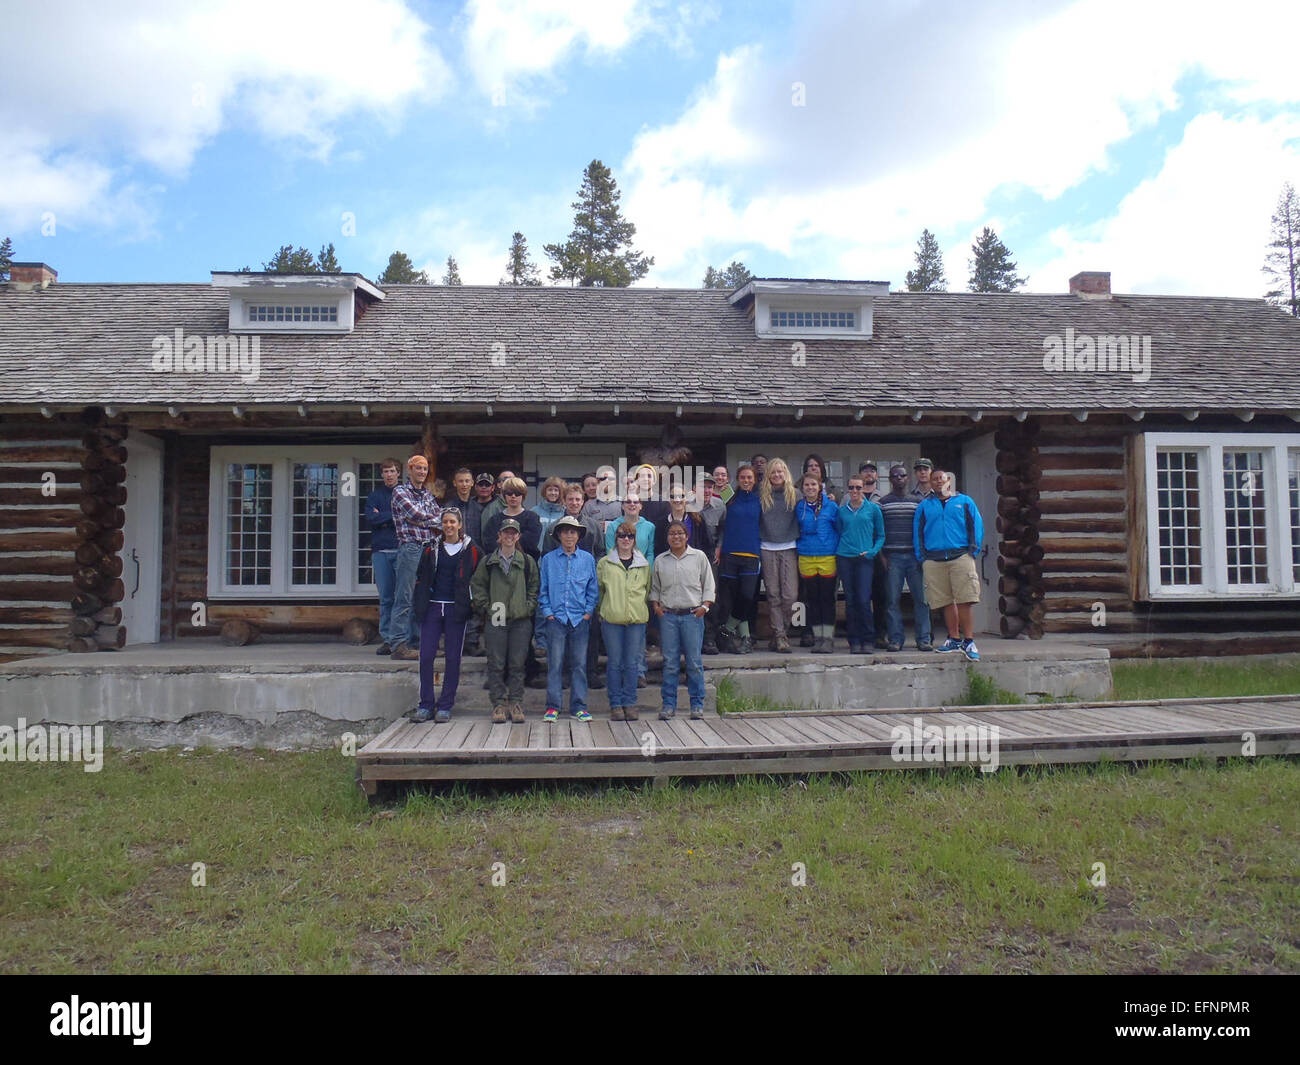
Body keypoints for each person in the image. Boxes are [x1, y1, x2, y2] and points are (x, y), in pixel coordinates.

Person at [409, 508, 483, 723]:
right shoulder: (431, 549)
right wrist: (420, 603)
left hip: (455, 609)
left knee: (453, 658)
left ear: (460, 524)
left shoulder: (472, 549)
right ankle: (425, 704)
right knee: (426, 656)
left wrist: (472, 603)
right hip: (432, 607)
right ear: (441, 525)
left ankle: (445, 705)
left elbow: (478, 579)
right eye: (445, 522)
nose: (449, 526)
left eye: (453, 522)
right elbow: (421, 577)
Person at [470, 518, 539, 723]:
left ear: (518, 536)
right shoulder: (488, 562)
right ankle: (498, 704)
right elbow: (477, 586)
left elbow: (534, 588)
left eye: (513, 533)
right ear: (499, 536)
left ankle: (516, 702)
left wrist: (527, 607)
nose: (509, 537)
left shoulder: (527, 562)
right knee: (496, 663)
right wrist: (486, 607)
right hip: (496, 619)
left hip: (520, 620)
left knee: (518, 664)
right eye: (505, 533)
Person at [914, 467, 983, 661]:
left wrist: (973, 551)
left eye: (941, 478)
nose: (937, 481)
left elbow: (976, 526)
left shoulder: (964, 501)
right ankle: (953, 638)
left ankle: (968, 640)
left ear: (949, 481)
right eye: (934, 479)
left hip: (960, 555)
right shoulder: (924, 506)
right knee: (944, 601)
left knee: (965, 599)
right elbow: (918, 531)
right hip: (934, 559)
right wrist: (922, 556)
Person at [651, 521, 716, 721]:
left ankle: (697, 704)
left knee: (694, 662)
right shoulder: (661, 560)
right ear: (667, 537)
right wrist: (656, 607)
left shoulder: (699, 557)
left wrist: (705, 606)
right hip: (669, 616)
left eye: (680, 533)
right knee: (670, 663)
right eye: (672, 533)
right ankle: (669, 705)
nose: (676, 537)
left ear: (687, 536)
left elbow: (708, 584)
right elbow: (655, 588)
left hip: (692, 616)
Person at [539, 515, 598, 723]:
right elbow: (543, 589)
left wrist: (588, 611)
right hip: (556, 619)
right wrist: (548, 612)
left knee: (579, 664)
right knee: (555, 664)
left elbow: (592, 589)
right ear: (559, 535)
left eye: (573, 531)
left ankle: (579, 706)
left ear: (578, 535)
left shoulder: (588, 559)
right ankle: (553, 706)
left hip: (579, 619)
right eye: (565, 531)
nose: (569, 535)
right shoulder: (548, 560)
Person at [597, 520, 651, 722]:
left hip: (636, 621)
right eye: (622, 536)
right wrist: (605, 610)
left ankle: (630, 702)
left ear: (635, 539)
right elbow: (600, 591)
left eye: (630, 536)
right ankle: (616, 704)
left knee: (632, 663)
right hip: (612, 619)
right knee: (615, 663)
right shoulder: (605, 563)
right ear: (615, 538)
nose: (626, 540)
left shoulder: (643, 564)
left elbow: (646, 590)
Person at [390, 453, 442, 661]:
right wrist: (430, 519)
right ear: (409, 470)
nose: (422, 472)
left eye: (424, 469)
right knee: (404, 596)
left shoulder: (428, 495)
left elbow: (441, 519)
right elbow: (415, 515)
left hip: (429, 549)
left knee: (421, 597)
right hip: (410, 548)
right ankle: (398, 644)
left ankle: (416, 642)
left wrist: (428, 520)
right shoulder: (399, 491)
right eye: (418, 468)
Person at [880, 463, 934, 652]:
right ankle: (895, 639)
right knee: (892, 601)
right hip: (892, 557)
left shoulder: (917, 502)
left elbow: (924, 529)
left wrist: (924, 554)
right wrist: (882, 556)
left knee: (922, 600)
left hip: (914, 557)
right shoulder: (883, 503)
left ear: (907, 478)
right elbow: (878, 532)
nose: (899, 479)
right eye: (895, 476)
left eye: (902, 475)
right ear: (890, 480)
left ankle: (923, 639)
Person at [835, 474, 885, 654]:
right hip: (844, 558)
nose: (854, 491)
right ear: (847, 490)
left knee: (864, 600)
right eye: (851, 488)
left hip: (865, 559)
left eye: (858, 487)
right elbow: (840, 531)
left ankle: (868, 639)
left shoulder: (873, 509)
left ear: (864, 488)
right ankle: (853, 640)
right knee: (850, 601)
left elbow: (881, 536)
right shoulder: (842, 511)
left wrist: (872, 551)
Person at [716, 465, 762, 654]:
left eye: (749, 477)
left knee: (747, 597)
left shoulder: (760, 500)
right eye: (742, 477)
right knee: (733, 599)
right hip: (730, 554)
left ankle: (726, 629)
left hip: (751, 554)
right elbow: (715, 488)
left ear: (754, 479)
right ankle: (745, 638)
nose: (746, 480)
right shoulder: (730, 497)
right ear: (737, 479)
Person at [758, 458, 800, 653]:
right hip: (767, 547)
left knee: (790, 596)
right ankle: (780, 636)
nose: (776, 476)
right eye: (773, 473)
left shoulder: (795, 494)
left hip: (789, 546)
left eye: (780, 472)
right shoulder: (762, 494)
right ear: (768, 475)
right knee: (773, 595)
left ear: (785, 474)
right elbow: (734, 497)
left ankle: (783, 629)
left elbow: (813, 502)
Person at [796, 472, 840, 653]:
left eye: (813, 484)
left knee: (827, 599)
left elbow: (839, 528)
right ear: (802, 488)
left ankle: (828, 639)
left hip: (827, 555)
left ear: (820, 486)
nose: (810, 488)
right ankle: (818, 637)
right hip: (806, 555)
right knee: (812, 599)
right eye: (807, 485)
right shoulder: (799, 507)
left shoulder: (832, 507)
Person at [365, 458, 401, 655]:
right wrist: (392, 516)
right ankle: (387, 639)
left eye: (392, 471)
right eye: (386, 471)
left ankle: (403, 638)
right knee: (386, 597)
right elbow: (371, 517)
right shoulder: (375, 495)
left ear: (398, 473)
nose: (389, 474)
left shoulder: (404, 494)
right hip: (380, 552)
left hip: (401, 550)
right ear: (382, 474)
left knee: (403, 597)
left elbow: (405, 515)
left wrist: (383, 516)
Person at [697, 475, 727, 655]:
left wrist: (719, 547)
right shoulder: (689, 505)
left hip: (711, 557)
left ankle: (709, 638)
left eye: (710, 487)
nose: (707, 491)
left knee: (711, 596)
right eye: (703, 487)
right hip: (692, 555)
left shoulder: (720, 506)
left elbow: (723, 529)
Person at [482, 477, 542, 558]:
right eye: (509, 493)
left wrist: (503, 540)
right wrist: (517, 539)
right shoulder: (494, 520)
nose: (513, 496)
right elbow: (489, 545)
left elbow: (530, 543)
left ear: (523, 495)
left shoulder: (532, 518)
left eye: (517, 493)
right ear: (504, 495)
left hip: (525, 566)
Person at [654, 482, 711, 557]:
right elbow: (658, 549)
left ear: (686, 498)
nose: (677, 500)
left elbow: (707, 546)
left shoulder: (697, 520)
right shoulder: (661, 523)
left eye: (681, 496)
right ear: (668, 499)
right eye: (673, 496)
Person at [582, 464, 623, 541]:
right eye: (603, 478)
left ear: (616, 482)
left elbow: (631, 527)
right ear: (598, 482)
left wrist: (608, 525)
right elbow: (583, 529)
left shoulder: (624, 503)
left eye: (611, 478)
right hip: (596, 549)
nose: (607, 481)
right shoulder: (589, 506)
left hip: (618, 549)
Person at [531, 476, 567, 553]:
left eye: (556, 490)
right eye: (550, 490)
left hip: (559, 554)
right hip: (538, 555)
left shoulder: (565, 513)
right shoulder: (534, 511)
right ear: (545, 491)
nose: (553, 493)